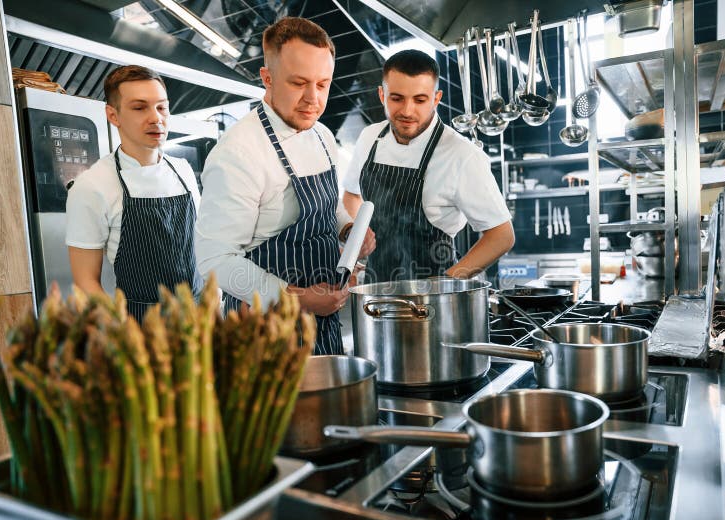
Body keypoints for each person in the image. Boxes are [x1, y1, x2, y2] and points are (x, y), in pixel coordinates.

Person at [195, 17, 374, 355]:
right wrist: (298, 299)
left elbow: (330, 205)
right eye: (298, 83)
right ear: (268, 78)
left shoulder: (322, 136)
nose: (313, 98)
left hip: (323, 322)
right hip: (264, 331)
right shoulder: (237, 153)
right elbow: (214, 261)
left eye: (323, 84)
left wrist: (347, 230)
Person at [342, 50, 514, 283]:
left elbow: (501, 235)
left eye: (420, 100)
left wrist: (446, 284)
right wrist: (357, 237)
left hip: (434, 307)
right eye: (397, 98)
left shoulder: (461, 155)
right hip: (374, 296)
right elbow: (352, 196)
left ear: (436, 98)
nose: (407, 111)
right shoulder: (369, 138)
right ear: (382, 95)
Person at [66, 65, 202, 321]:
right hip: (138, 326)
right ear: (113, 115)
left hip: (199, 319)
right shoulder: (92, 186)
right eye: (140, 108)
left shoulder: (183, 172)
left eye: (162, 107)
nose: (156, 118)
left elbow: (200, 245)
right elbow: (85, 282)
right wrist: (125, 331)